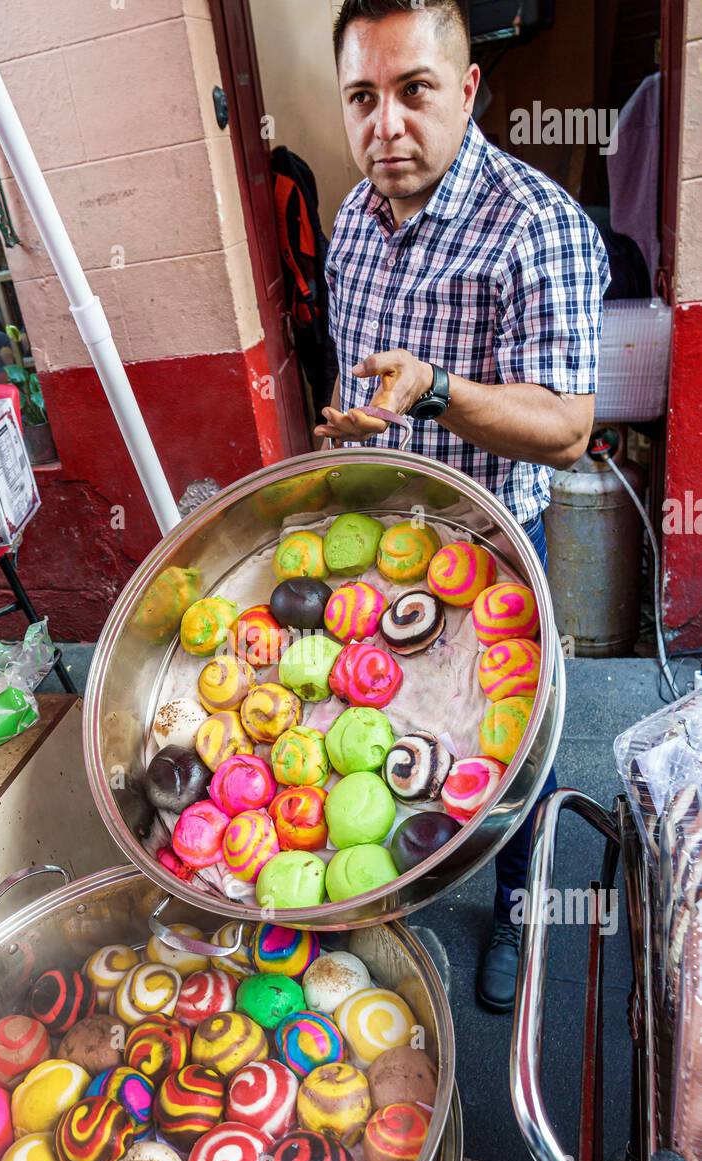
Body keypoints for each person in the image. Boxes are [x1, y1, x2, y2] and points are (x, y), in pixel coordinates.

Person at [317, 0, 610, 1012]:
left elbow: (566, 425)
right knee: (379, 717)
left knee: (507, 751)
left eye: (412, 92)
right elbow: (366, 377)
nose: (383, 126)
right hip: (382, 541)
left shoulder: (538, 227)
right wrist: (352, 430)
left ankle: (521, 905)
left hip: (490, 549)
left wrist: (435, 388)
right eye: (361, 97)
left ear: (468, 88)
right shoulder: (351, 219)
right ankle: (393, 874)